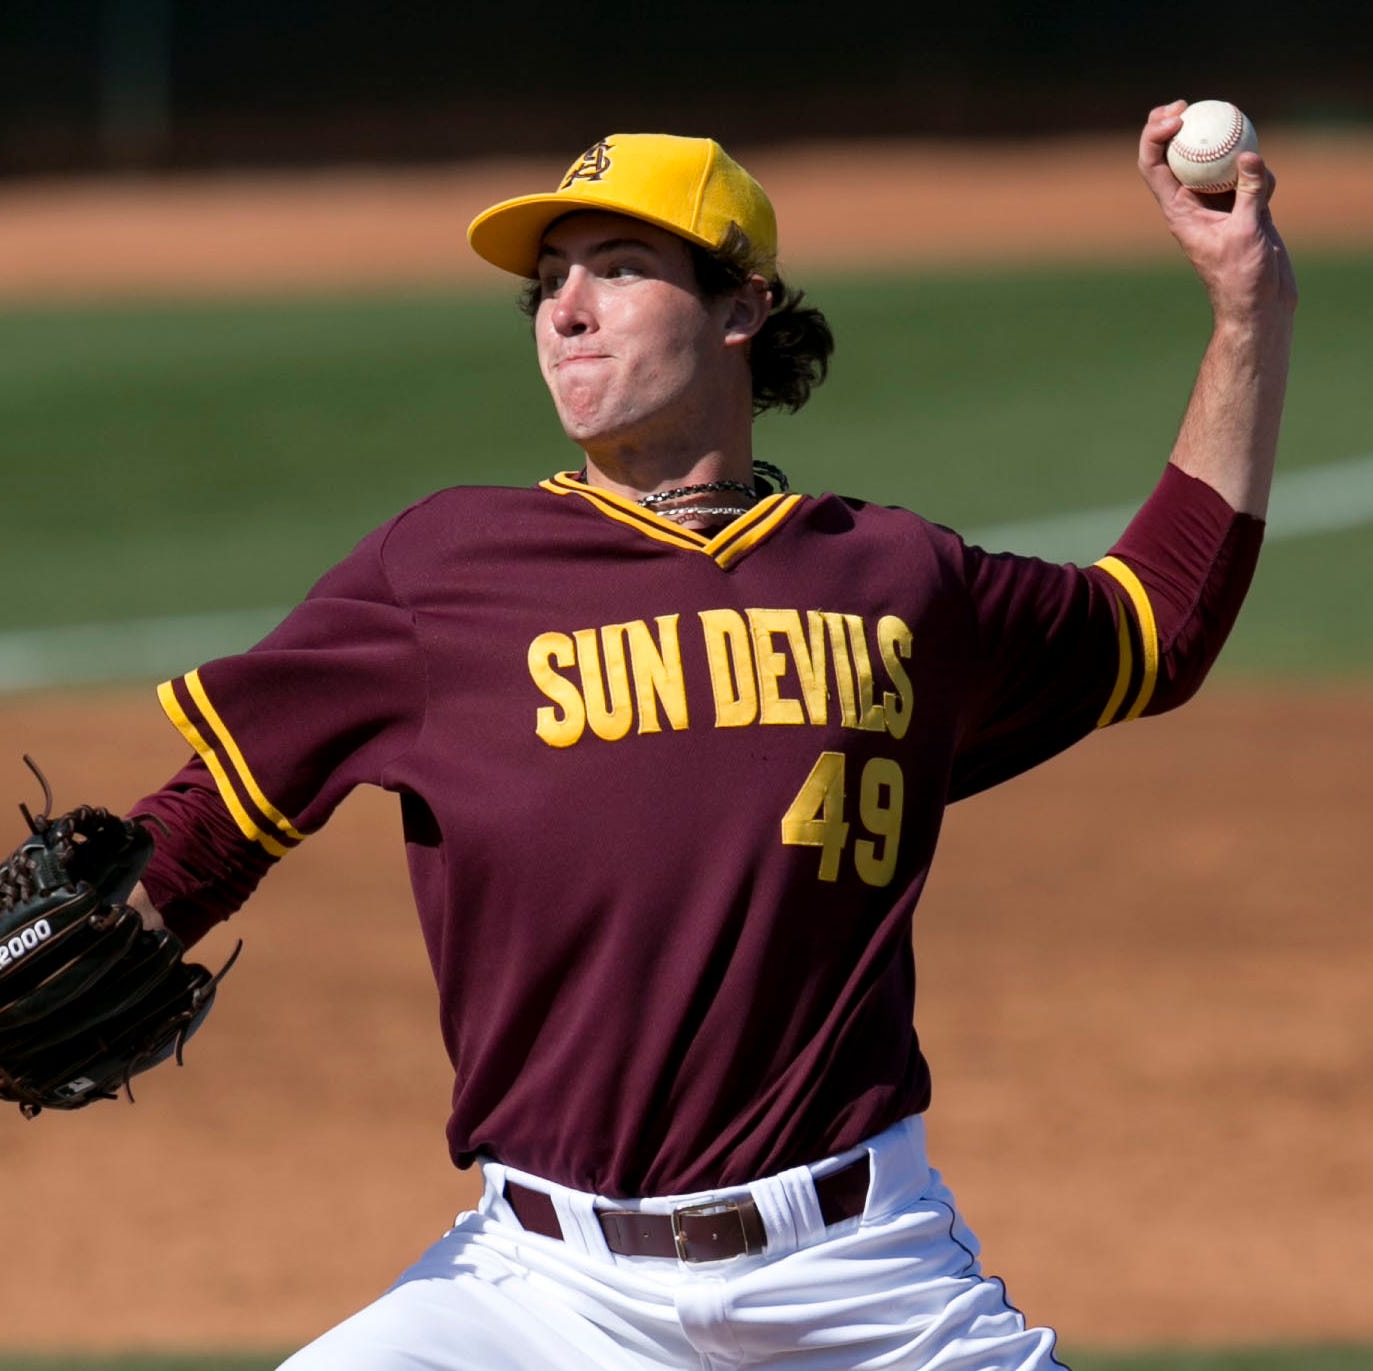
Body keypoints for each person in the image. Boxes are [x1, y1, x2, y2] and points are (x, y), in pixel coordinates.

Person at [116, 107, 1293, 1368]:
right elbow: (216, 820)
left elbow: (1154, 625)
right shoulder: (440, 569)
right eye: (549, 284)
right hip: (537, 1293)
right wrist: (106, 920)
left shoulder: (894, 578)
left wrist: (1246, 311)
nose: (567, 308)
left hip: (863, 1282)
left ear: (742, 306)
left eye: (619, 269)